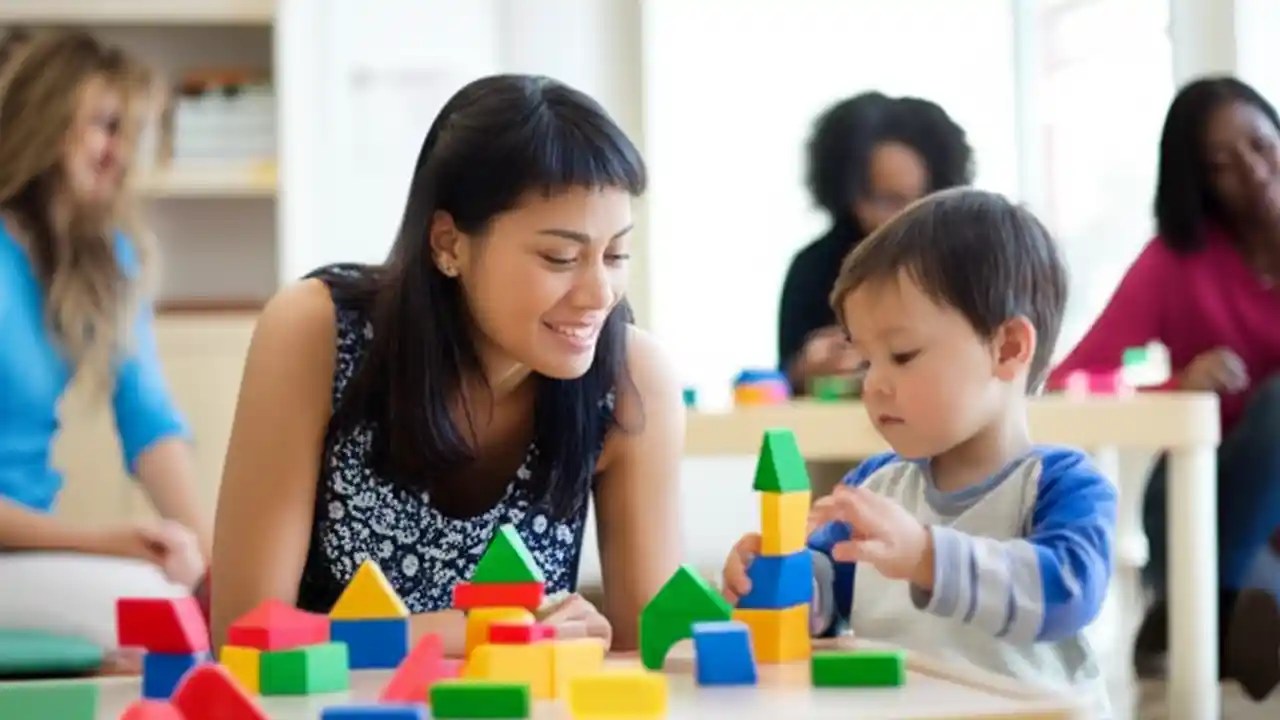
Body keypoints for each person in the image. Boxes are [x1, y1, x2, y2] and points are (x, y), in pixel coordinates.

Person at [209, 74, 685, 656]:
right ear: (448, 244)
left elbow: (656, 656)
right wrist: (475, 631)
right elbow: (243, 635)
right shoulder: (319, 334)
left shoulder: (632, 380)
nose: (599, 293)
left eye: (616, 255)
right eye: (560, 256)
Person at [726, 189, 1118, 717]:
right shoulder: (875, 486)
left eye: (902, 355)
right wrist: (777, 578)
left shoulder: (1061, 484)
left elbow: (1068, 591)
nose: (875, 385)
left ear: (1007, 349)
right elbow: (826, 597)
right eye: (866, 361)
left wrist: (927, 557)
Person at [1045, 76, 1280, 699]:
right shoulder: (1176, 262)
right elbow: (1068, 381)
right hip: (1198, 503)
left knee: (1248, 625)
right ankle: (1190, 612)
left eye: (1261, 145)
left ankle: (1182, 616)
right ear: (1199, 183)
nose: (1254, 172)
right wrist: (1174, 387)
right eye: (1222, 166)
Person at [0, 31, 209, 657]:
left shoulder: (105, 260)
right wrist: (96, 541)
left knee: (185, 612)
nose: (120, 152)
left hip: (26, 556)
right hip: (23, 552)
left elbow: (149, 418)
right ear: (45, 120)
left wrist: (212, 569)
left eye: (131, 132)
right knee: (159, 624)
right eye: (105, 125)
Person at [778, 92, 974, 395]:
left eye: (920, 200)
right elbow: (784, 382)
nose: (905, 216)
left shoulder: (964, 263)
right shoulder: (814, 267)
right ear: (848, 194)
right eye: (886, 200)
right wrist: (805, 371)